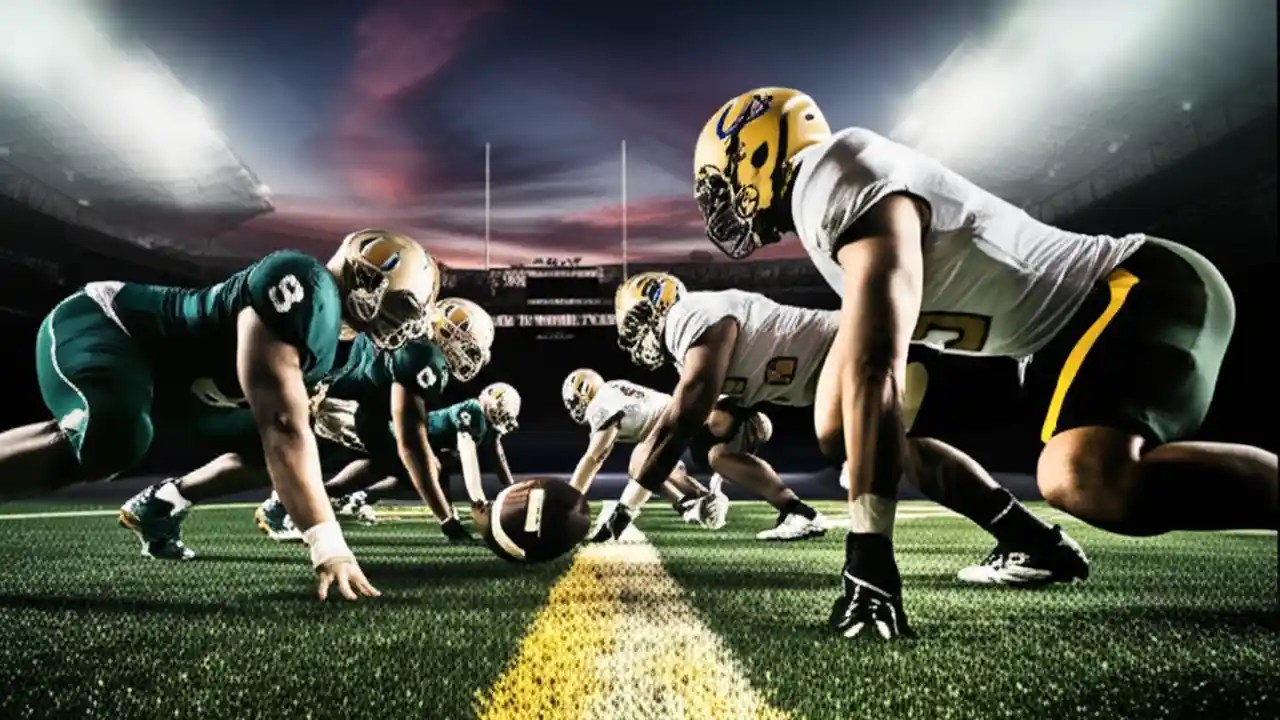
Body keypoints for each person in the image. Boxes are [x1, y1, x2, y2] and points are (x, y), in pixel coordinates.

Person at [690, 87, 1277, 639]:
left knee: (1084, 477)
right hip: (1061, 334)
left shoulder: (832, 179)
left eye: (722, 181)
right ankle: (1031, 543)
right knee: (853, 431)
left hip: (1133, 290)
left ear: (761, 152)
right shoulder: (830, 202)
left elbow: (875, 367)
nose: (721, 203)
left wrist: (868, 560)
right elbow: (852, 395)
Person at [0, 229, 441, 601]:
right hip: (111, 327)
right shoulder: (304, 283)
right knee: (113, 437)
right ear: (368, 278)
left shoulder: (342, 346)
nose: (401, 324)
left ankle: (163, 504)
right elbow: (281, 424)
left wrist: (315, 408)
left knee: (281, 449)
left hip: (178, 392)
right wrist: (329, 546)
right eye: (400, 306)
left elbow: (286, 421)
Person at [616, 272, 1087, 594]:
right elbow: (717, 419)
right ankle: (1039, 544)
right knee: (902, 454)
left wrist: (623, 511)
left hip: (864, 343)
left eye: (635, 323)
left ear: (656, 307)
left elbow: (682, 420)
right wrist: (741, 423)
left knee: (841, 441)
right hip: (864, 350)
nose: (636, 338)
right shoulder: (696, 339)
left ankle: (870, 574)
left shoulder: (689, 316)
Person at [126, 297, 497, 549]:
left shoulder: (405, 340)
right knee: (268, 460)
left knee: (261, 463)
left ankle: (162, 502)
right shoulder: (422, 356)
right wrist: (446, 519)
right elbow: (409, 437)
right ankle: (177, 500)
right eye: (467, 341)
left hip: (329, 397)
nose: (468, 353)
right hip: (333, 408)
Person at [256, 383, 522, 540]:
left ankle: (350, 498)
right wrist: (476, 500)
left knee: (428, 469)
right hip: (394, 437)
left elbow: (496, 453)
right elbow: (468, 458)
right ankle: (283, 502)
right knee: (426, 469)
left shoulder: (487, 426)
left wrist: (511, 488)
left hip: (409, 446)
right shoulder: (472, 411)